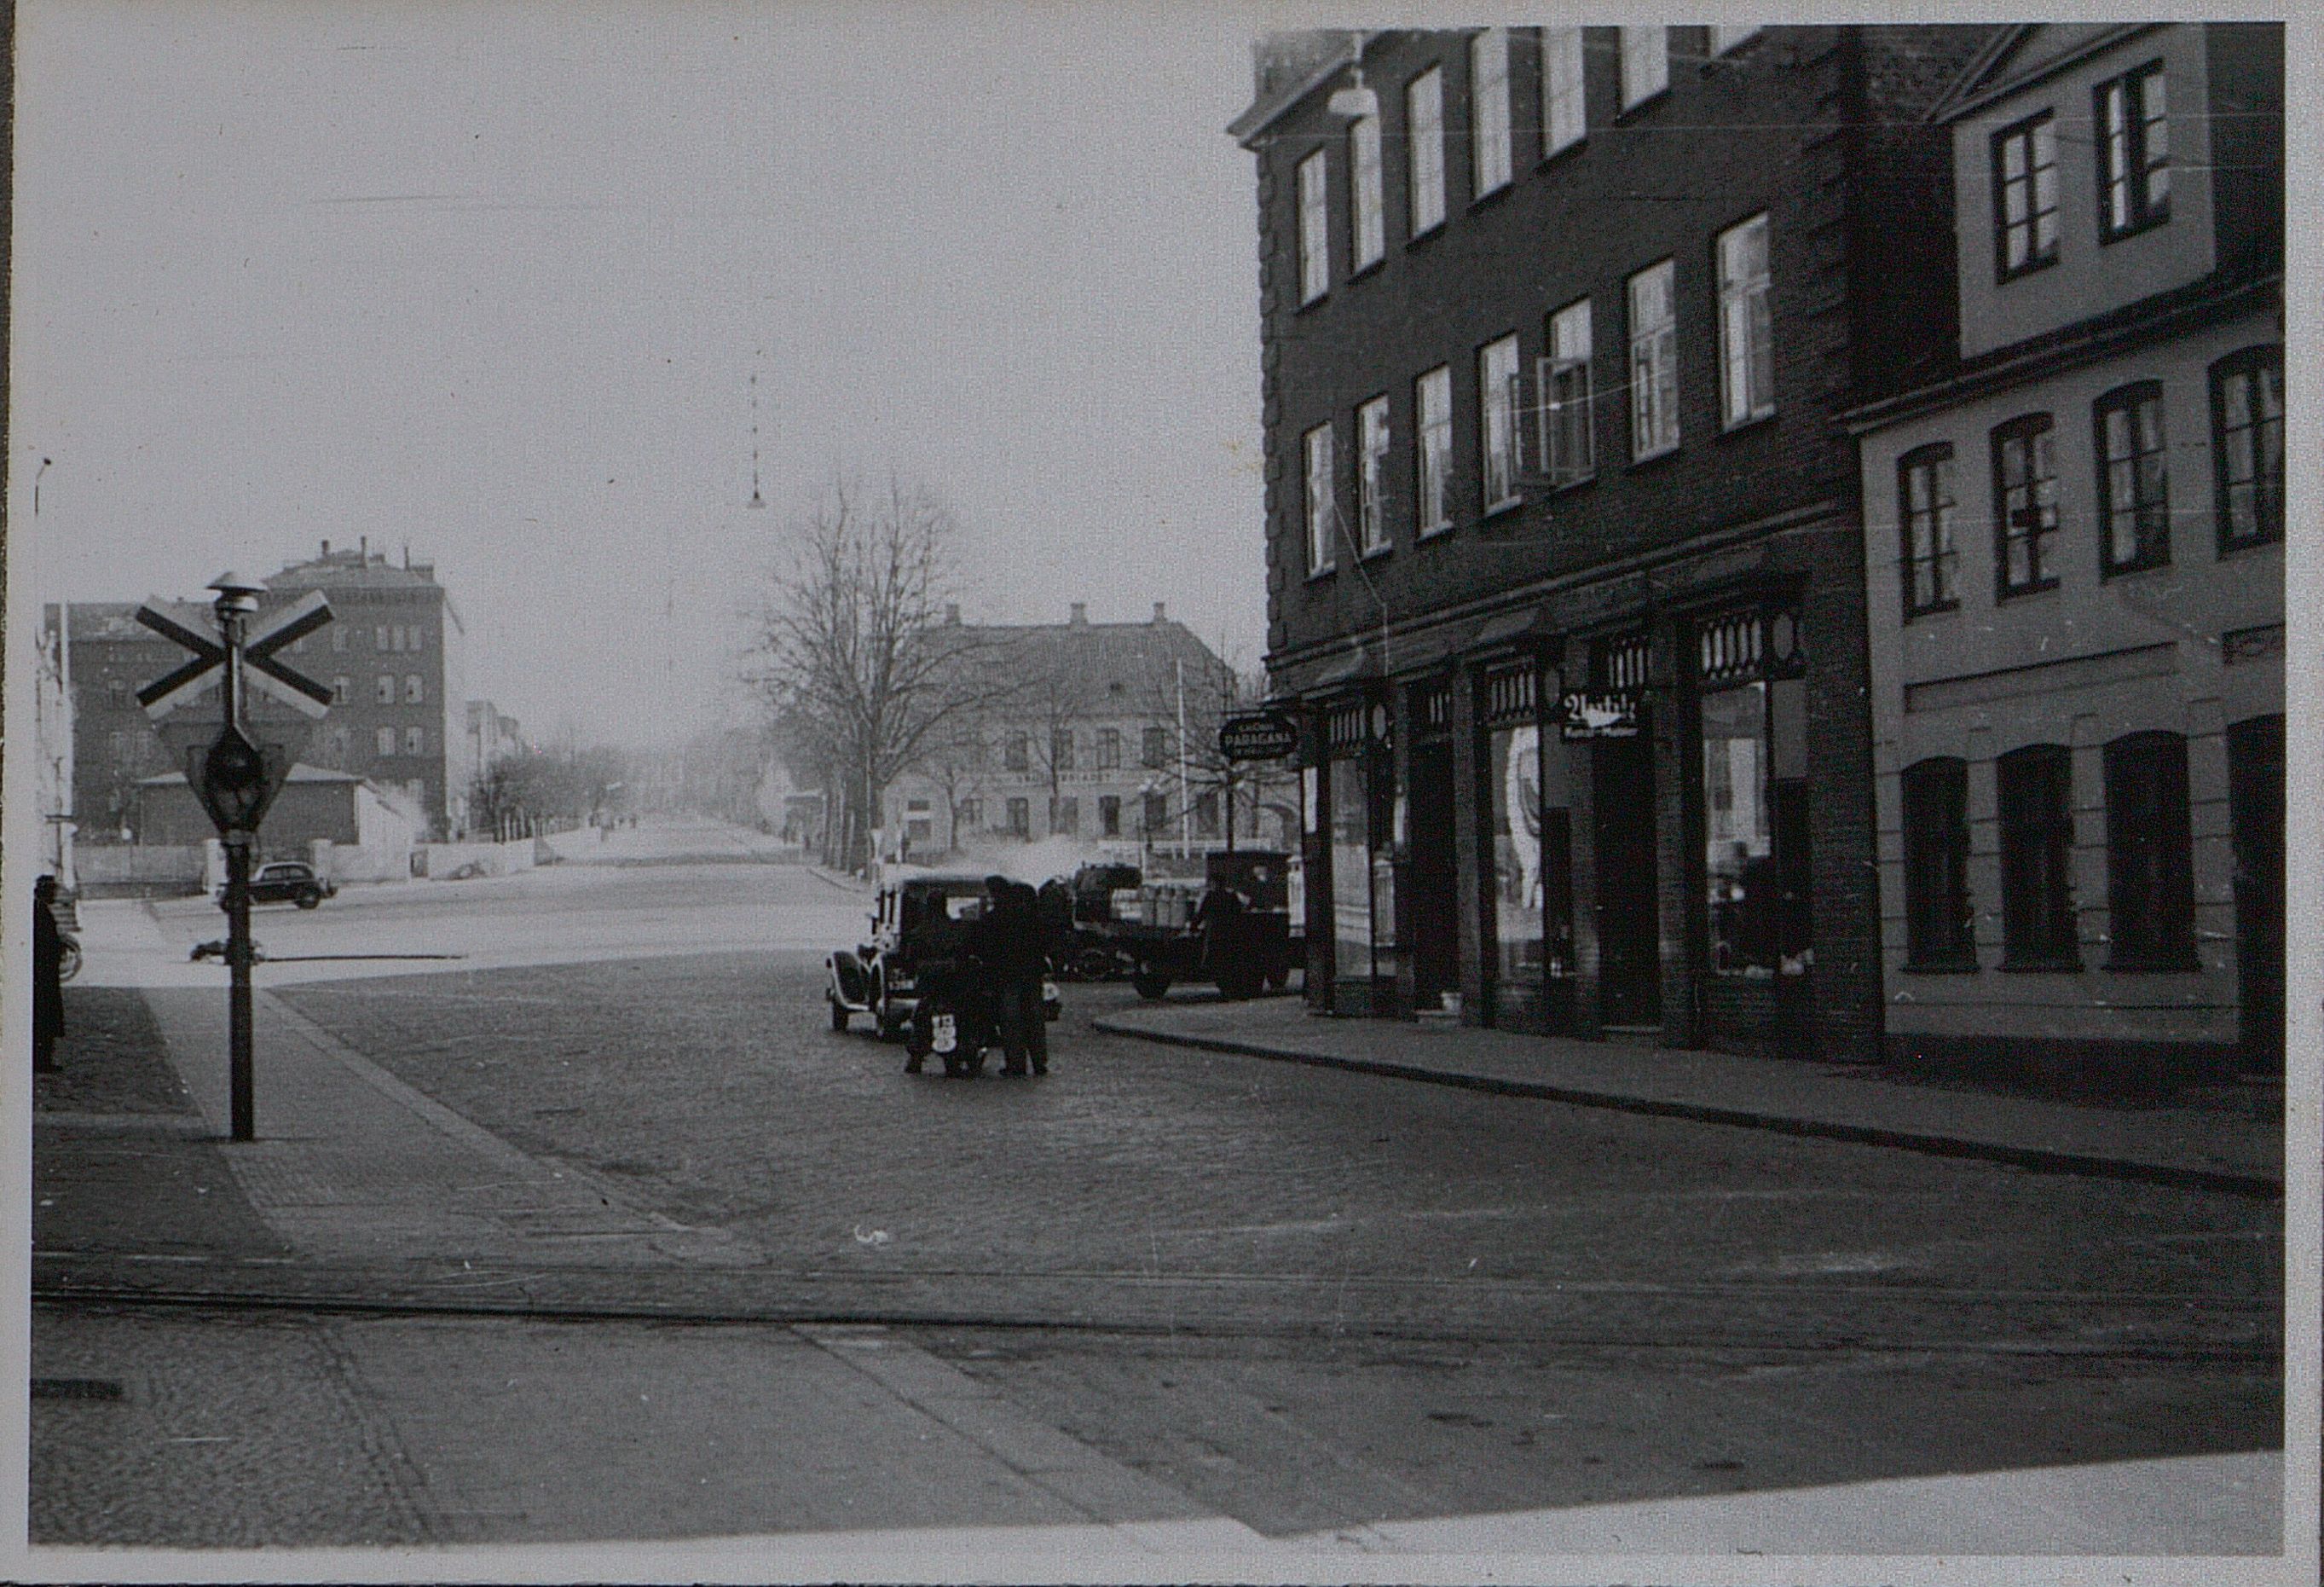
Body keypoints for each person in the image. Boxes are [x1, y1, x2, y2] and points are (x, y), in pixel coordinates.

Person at [979, 876, 1049, 1076]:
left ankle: (1016, 1064)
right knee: (1034, 1019)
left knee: (1012, 1022)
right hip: (1032, 973)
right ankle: (1039, 1062)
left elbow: (984, 946)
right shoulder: (1031, 917)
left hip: (1008, 975)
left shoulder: (995, 918)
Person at [33, 876, 65, 1074]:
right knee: (44, 1017)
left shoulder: (39, 909)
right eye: (53, 890)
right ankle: (42, 1060)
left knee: (45, 1017)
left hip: (44, 975)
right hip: (43, 976)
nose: (56, 894)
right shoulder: (40, 911)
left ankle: (44, 1058)